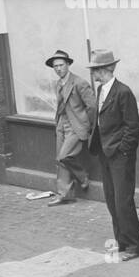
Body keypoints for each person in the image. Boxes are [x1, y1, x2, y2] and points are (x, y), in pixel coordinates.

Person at [86, 49, 139, 260]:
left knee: (123, 201)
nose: (92, 72)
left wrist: (123, 150)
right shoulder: (101, 89)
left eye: (94, 68)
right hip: (105, 153)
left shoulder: (123, 92)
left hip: (119, 155)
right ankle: (121, 241)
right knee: (111, 200)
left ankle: (136, 245)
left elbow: (133, 127)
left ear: (103, 69)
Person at [45, 48, 96, 206]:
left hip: (76, 126)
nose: (58, 68)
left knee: (64, 156)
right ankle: (64, 194)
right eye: (55, 66)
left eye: (61, 65)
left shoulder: (79, 83)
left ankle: (82, 177)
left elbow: (92, 106)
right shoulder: (58, 83)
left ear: (68, 65)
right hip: (62, 123)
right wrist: (59, 123)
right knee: (60, 159)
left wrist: (86, 125)